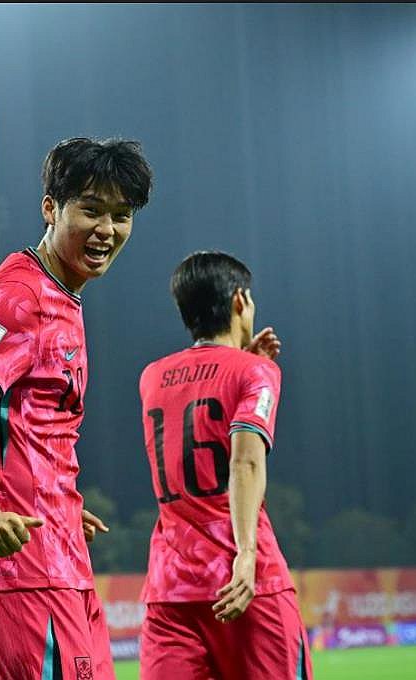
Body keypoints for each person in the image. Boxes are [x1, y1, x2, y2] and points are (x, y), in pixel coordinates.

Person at [0, 137, 153, 680]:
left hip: (61, 549)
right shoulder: (18, 299)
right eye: (91, 210)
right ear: (50, 207)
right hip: (22, 564)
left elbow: (30, 426)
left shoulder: (63, 296)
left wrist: (61, 501)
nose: (107, 230)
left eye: (122, 216)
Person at [137, 251, 311, 680]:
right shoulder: (256, 371)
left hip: (172, 590)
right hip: (247, 584)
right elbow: (245, 462)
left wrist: (241, 361)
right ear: (239, 302)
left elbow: (204, 389)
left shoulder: (152, 377)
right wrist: (246, 556)